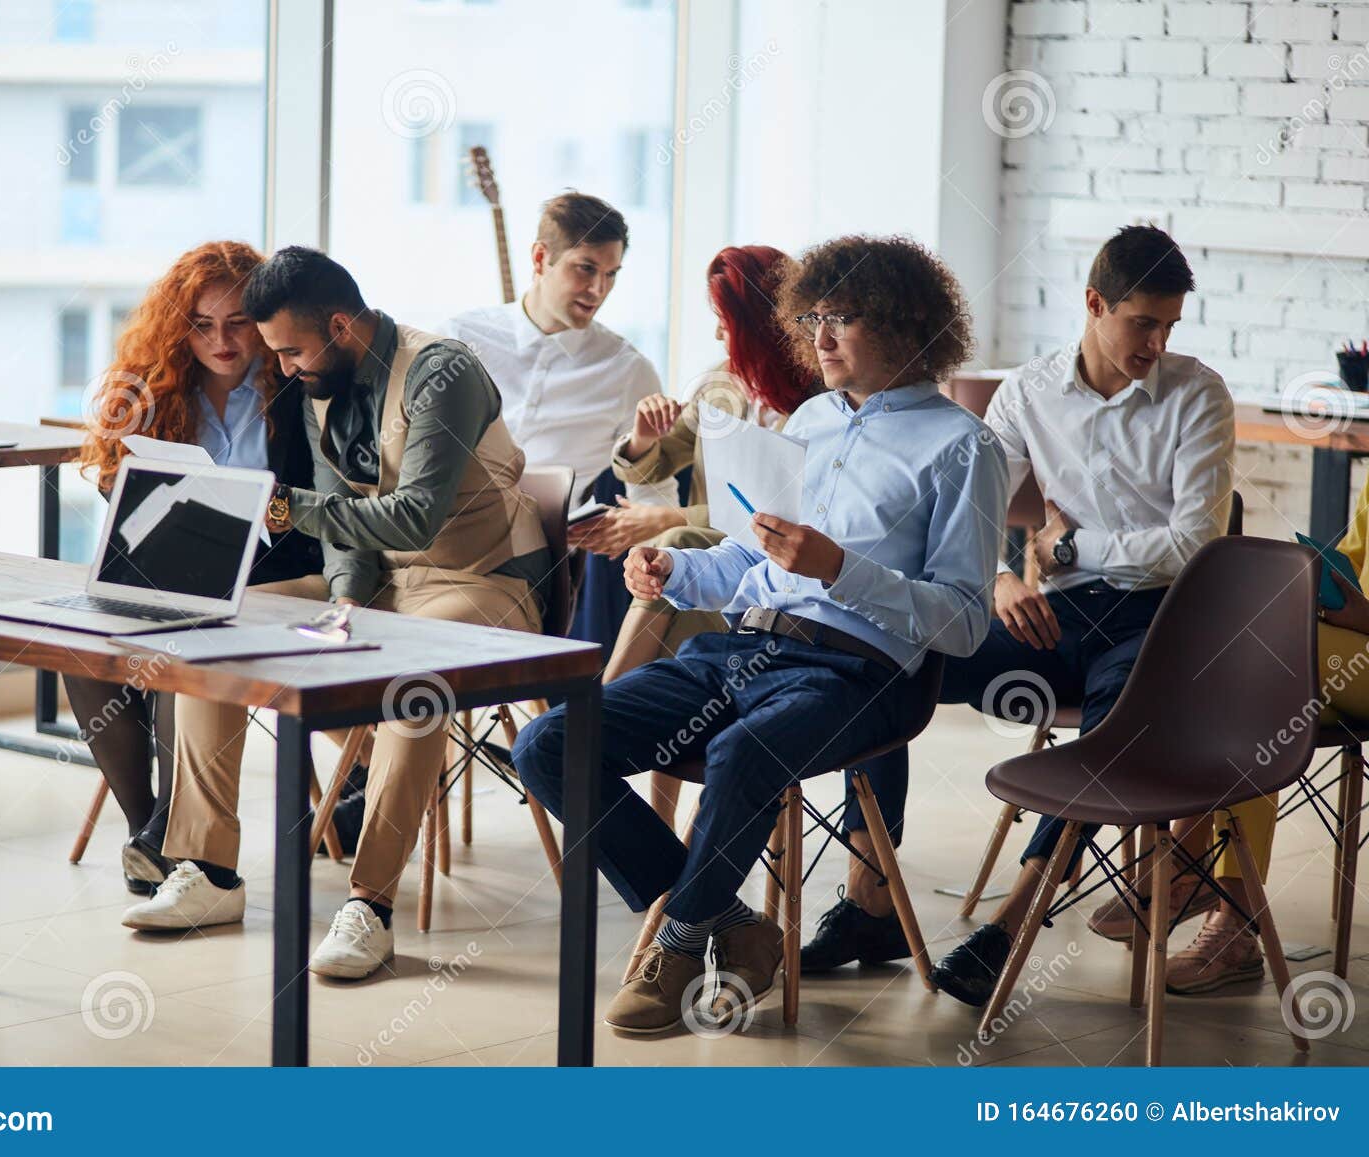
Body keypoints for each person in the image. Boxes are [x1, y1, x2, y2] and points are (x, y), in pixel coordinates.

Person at [512, 235, 1007, 1034]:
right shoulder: (810, 418)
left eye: (843, 319)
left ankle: (680, 942)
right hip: (743, 648)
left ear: (904, 323)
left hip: (861, 674)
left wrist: (841, 570)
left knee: (741, 752)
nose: (820, 338)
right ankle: (731, 923)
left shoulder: (963, 446)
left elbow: (965, 620)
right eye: (813, 319)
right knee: (548, 743)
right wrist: (675, 571)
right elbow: (751, 555)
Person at [802, 225, 1241, 1008]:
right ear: (1095, 303)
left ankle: (1010, 925)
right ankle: (871, 901)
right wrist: (1001, 575)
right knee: (887, 654)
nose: (1157, 344)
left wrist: (1069, 547)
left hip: (1161, 622)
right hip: (1053, 617)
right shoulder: (1029, 391)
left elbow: (1194, 544)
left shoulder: (1198, 395)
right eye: (1143, 322)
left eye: (1170, 326)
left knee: (1113, 723)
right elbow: (968, 511)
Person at [135, 246, 549, 971]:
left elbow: (415, 516)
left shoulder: (442, 372)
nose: (282, 367)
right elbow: (341, 523)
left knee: (416, 671)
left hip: (482, 579)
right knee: (215, 626)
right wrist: (346, 595)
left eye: (291, 351)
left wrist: (281, 505)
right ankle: (210, 871)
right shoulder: (319, 380)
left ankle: (370, 905)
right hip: (387, 585)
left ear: (339, 325)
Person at [66, 240, 330, 905]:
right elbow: (117, 489)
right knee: (81, 652)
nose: (222, 341)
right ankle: (151, 825)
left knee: (183, 647)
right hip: (171, 569)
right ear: (178, 327)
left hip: (274, 578)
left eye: (238, 323)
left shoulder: (296, 387)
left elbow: (322, 507)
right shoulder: (154, 387)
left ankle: (162, 839)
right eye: (203, 325)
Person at [1148, 477, 1369, 994]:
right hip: (1350, 656)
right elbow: (1353, 564)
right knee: (1258, 697)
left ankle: (1182, 867)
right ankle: (1231, 918)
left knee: (1260, 654)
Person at [439, 192, 677, 655]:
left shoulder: (628, 371)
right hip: (435, 540)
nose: (598, 289)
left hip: (531, 570)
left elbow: (654, 499)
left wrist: (634, 531)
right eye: (585, 268)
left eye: (611, 274)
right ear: (540, 258)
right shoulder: (460, 338)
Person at [601, 245, 822, 684]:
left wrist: (671, 517)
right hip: (718, 546)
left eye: (725, 322)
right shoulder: (720, 384)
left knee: (675, 542)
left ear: (755, 325)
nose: (718, 334)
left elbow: (797, 509)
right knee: (646, 552)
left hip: (779, 552)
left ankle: (605, 697)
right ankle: (625, 698)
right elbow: (650, 468)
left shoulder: (819, 400)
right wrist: (644, 435)